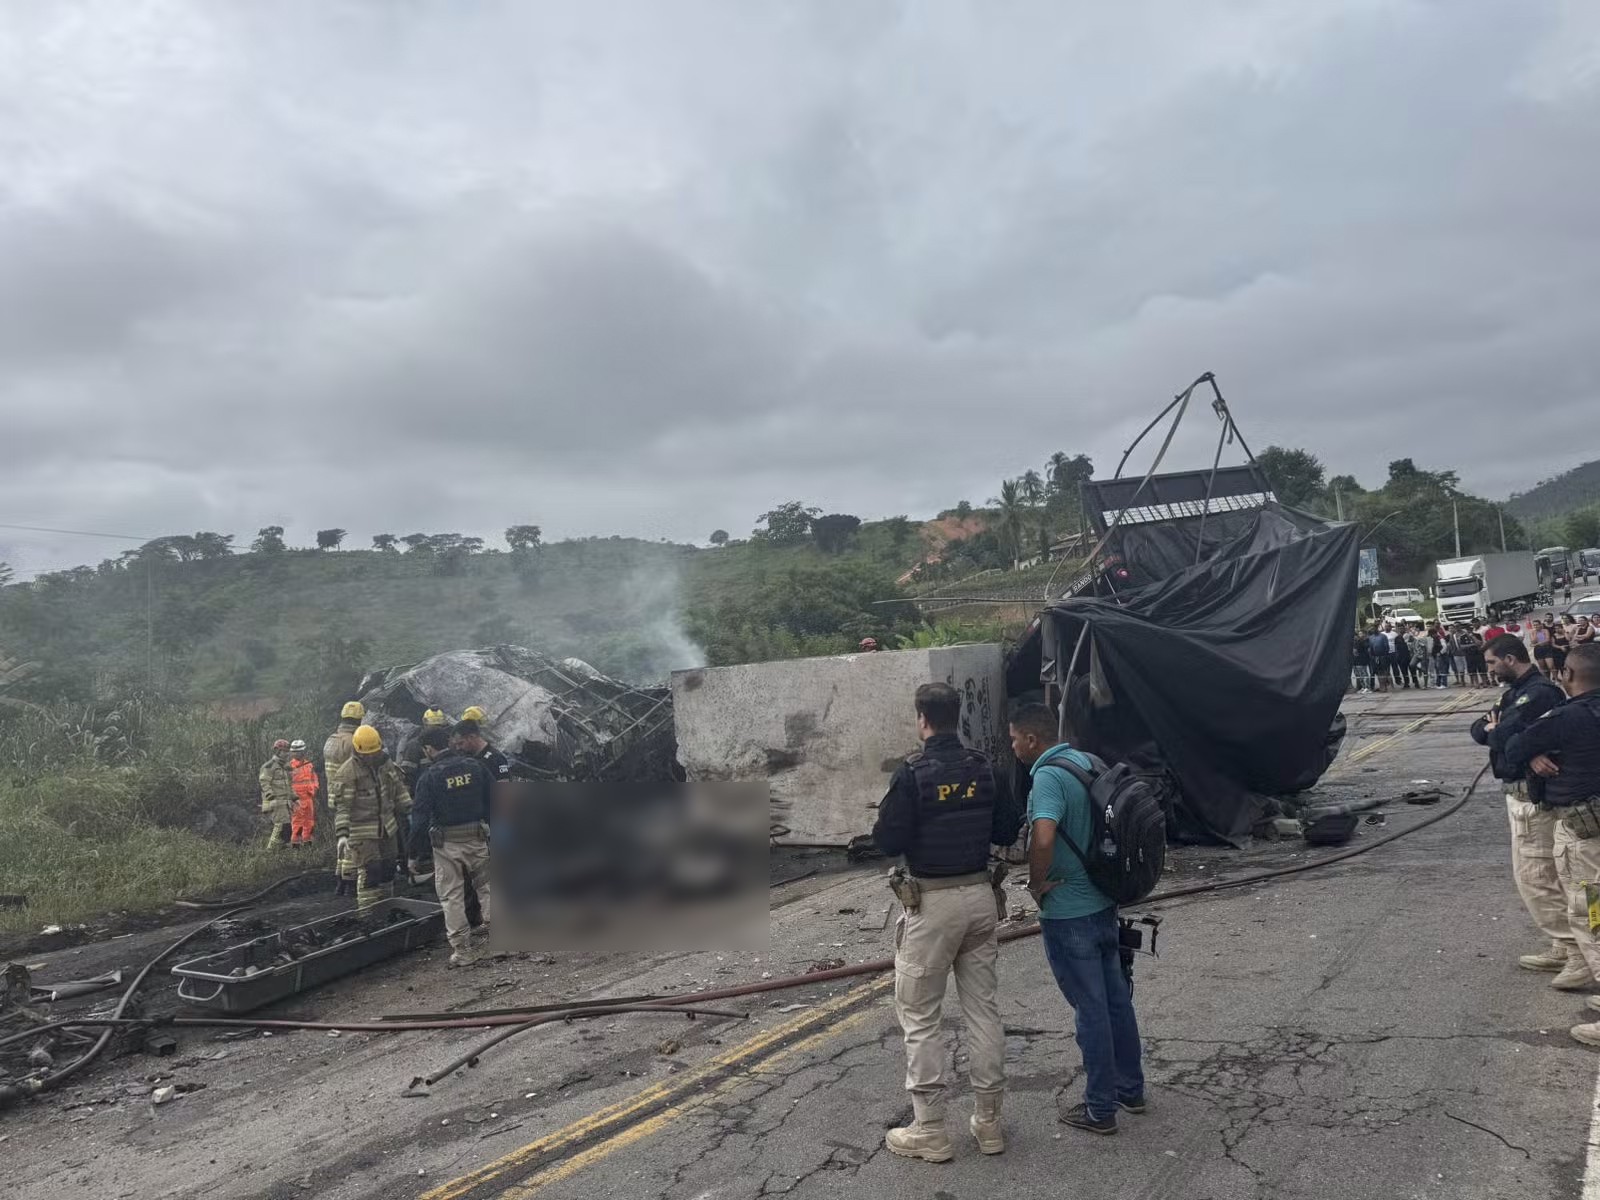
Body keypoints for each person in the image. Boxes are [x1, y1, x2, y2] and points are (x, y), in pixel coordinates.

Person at [871, 682, 1022, 1162]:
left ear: (922, 718)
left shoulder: (912, 774)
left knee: (920, 1016)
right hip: (981, 897)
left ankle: (930, 1129)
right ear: (957, 717)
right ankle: (990, 1124)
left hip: (933, 905)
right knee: (983, 1010)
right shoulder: (986, 769)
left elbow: (888, 838)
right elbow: (1005, 828)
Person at [1008, 702, 1144, 1136]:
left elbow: (1044, 834)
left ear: (1032, 739)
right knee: (1116, 999)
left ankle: (1100, 1109)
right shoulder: (1088, 762)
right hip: (1105, 902)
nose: (1012, 747)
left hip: (1070, 913)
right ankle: (1130, 1089)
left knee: (1091, 1010)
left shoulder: (1047, 776)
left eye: (1013, 739)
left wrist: (1036, 883)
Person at [1505, 643, 1600, 1044]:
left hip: (1586, 839)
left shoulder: (1567, 717)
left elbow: (1512, 746)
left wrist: (1532, 754)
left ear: (1569, 676)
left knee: (1592, 916)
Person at [1471, 634, 1573, 979]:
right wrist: (1494, 729)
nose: (1489, 669)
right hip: (1518, 792)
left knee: (1538, 875)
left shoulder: (1538, 693)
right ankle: (1568, 946)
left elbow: (1505, 737)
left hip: (1532, 795)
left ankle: (1572, 949)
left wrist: (1498, 732)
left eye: (1491, 663)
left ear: (1510, 659)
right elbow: (1478, 729)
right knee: (1539, 875)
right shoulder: (1515, 692)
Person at [409, 727, 493, 966]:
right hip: (477, 838)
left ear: (428, 749)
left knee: (452, 895)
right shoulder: (475, 766)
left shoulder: (429, 777)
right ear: (448, 742)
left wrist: (414, 854)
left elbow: (420, 819)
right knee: (487, 888)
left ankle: (463, 952)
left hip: (446, 846)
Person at [329, 725, 411, 913]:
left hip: (387, 827)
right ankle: (368, 914)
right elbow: (342, 807)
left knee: (390, 866)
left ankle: (388, 907)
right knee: (371, 870)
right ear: (357, 750)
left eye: (374, 752)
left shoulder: (386, 764)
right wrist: (342, 834)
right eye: (366, 754)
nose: (370, 757)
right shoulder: (347, 773)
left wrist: (408, 807)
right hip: (361, 830)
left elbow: (398, 788)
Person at [323, 702, 365, 894]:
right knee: (353, 838)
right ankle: (349, 880)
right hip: (350, 795)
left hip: (334, 795)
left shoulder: (331, 739)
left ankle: (339, 876)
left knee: (342, 836)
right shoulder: (353, 741)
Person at [258, 739, 296, 849]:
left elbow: (288, 785)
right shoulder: (270, 765)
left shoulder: (285, 767)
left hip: (286, 802)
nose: (287, 754)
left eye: (287, 751)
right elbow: (264, 782)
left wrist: (294, 797)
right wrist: (271, 797)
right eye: (285, 751)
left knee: (287, 826)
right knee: (279, 825)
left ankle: (284, 849)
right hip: (276, 801)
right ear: (278, 751)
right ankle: (270, 850)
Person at [288, 738, 319, 845]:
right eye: (294, 751)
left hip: (308, 798)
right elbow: (286, 783)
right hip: (296, 799)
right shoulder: (289, 767)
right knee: (297, 822)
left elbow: (314, 778)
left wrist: (314, 789)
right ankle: (296, 845)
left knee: (309, 821)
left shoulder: (309, 765)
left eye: (299, 751)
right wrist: (291, 797)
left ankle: (307, 842)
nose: (296, 753)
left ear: (303, 752)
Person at [1366, 626, 1391, 694]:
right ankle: (1381, 686)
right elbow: (1371, 647)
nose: (1373, 630)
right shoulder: (1371, 637)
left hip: (1383, 656)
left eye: (1374, 629)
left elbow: (1387, 646)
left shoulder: (1383, 636)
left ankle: (1385, 685)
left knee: (1384, 671)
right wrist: (1372, 656)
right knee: (1378, 672)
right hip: (1375, 657)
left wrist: (1385, 655)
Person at [1391, 622, 1414, 689]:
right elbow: (1396, 648)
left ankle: (1416, 682)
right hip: (1401, 656)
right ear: (1398, 629)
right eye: (1400, 628)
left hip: (1409, 655)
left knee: (1412, 670)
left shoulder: (1409, 636)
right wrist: (1397, 656)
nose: (1401, 630)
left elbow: (1413, 645)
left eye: (1402, 628)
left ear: (1405, 628)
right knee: (1404, 671)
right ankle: (1406, 683)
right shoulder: (1397, 638)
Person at [1430, 625, 1451, 689]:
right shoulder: (1435, 639)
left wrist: (1440, 653)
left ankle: (1444, 684)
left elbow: (1445, 647)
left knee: (1442, 670)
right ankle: (1438, 683)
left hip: (1441, 656)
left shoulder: (1440, 638)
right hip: (1436, 656)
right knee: (1437, 670)